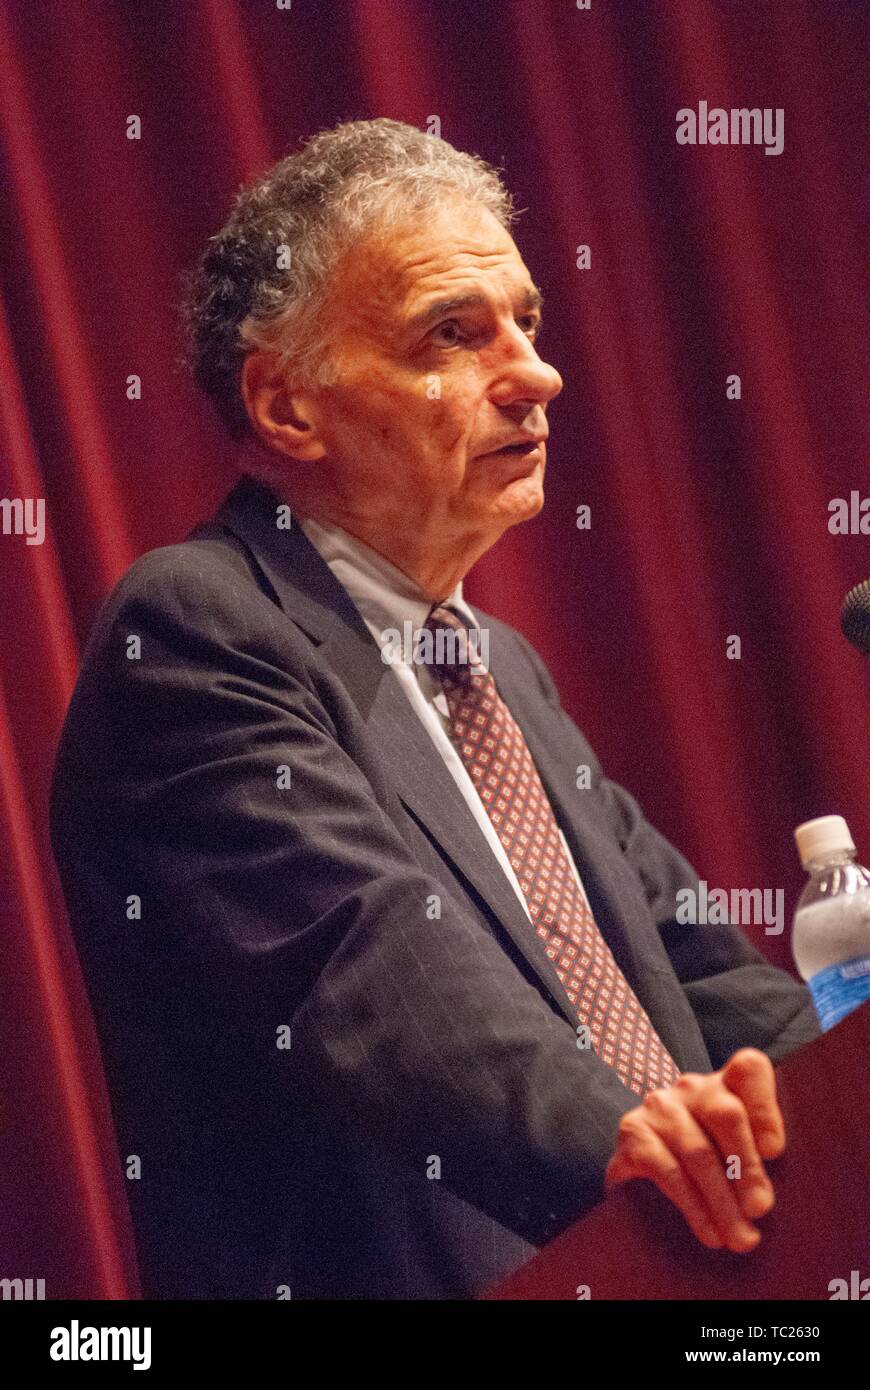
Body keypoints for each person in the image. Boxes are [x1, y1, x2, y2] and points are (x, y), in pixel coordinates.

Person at [50, 118, 820, 1300]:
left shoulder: (498, 667)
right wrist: (642, 1148)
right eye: (454, 334)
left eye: (527, 321)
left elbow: (699, 971)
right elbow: (373, 973)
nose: (536, 371)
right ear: (289, 408)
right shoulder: (197, 630)